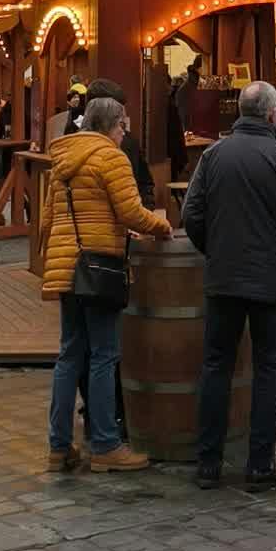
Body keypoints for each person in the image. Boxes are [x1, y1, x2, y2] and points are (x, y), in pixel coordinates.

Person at [182, 80, 276, 492]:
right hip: (271, 282)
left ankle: (208, 463)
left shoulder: (212, 156)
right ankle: (260, 464)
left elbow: (192, 214)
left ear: (240, 110)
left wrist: (214, 251)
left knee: (215, 366)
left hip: (223, 279)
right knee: (268, 368)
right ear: (273, 114)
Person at [40, 94, 172, 473]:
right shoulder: (111, 157)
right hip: (99, 268)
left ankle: (59, 445)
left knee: (69, 355)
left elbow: (48, 220)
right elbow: (130, 211)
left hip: (66, 267)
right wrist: (162, 227)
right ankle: (104, 444)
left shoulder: (62, 158)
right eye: (122, 127)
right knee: (103, 354)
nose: (122, 135)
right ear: (113, 125)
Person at [86, 78, 155, 205]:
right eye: (118, 110)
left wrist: (145, 207)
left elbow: (145, 184)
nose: (124, 114)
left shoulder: (129, 143)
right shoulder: (76, 146)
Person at [175, 57, 203, 132]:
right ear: (199, 69)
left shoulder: (194, 84)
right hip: (192, 131)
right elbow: (184, 118)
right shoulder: (188, 88)